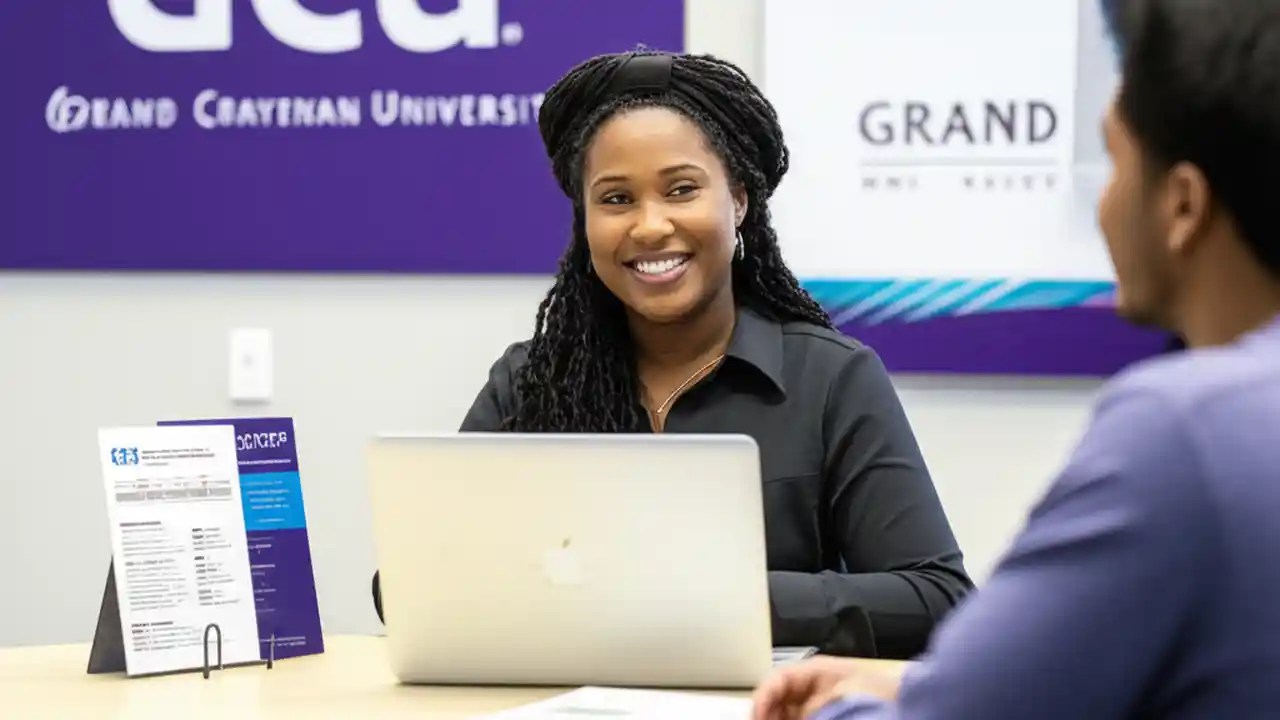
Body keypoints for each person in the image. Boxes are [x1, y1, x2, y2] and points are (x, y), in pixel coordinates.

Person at [752, 0, 1280, 717]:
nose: (1101, 205)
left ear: (1183, 206)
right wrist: (905, 684)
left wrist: (822, 710)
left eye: (1114, 164)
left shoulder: (1183, 431)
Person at [372, 49, 973, 658]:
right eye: (615, 199)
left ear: (738, 200)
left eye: (682, 190)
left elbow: (938, 596)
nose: (651, 225)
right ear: (584, 222)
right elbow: (406, 586)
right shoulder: (530, 379)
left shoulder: (830, 377)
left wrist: (722, 597)